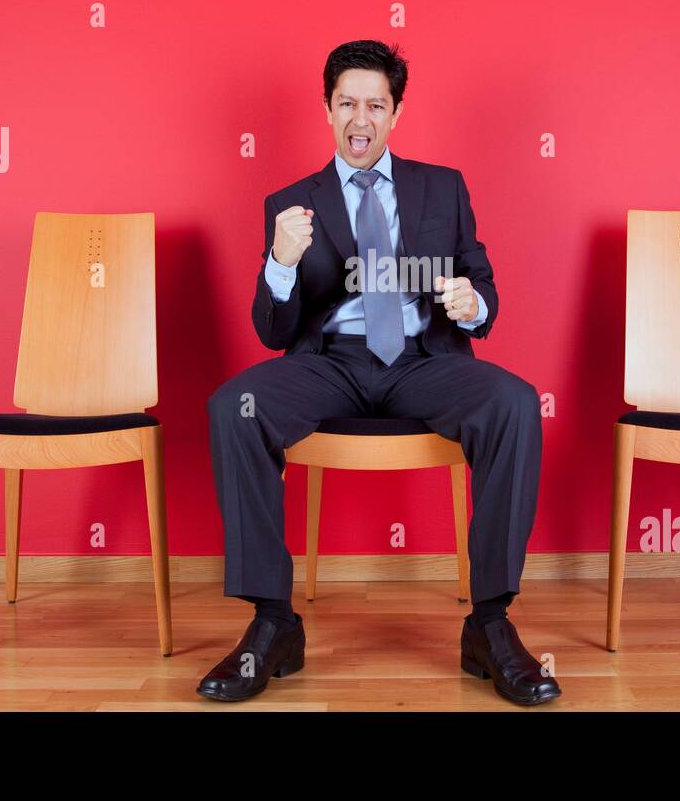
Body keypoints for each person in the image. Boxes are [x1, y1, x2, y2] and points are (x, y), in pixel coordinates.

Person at [198, 39, 559, 706]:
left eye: (375, 104)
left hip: (426, 362)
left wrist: (473, 303)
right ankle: (273, 622)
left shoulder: (442, 188)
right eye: (346, 104)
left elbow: (482, 284)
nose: (359, 118)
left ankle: (491, 623)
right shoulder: (291, 202)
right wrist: (278, 264)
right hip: (330, 364)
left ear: (394, 114)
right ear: (327, 110)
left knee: (513, 402)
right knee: (233, 406)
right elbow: (272, 332)